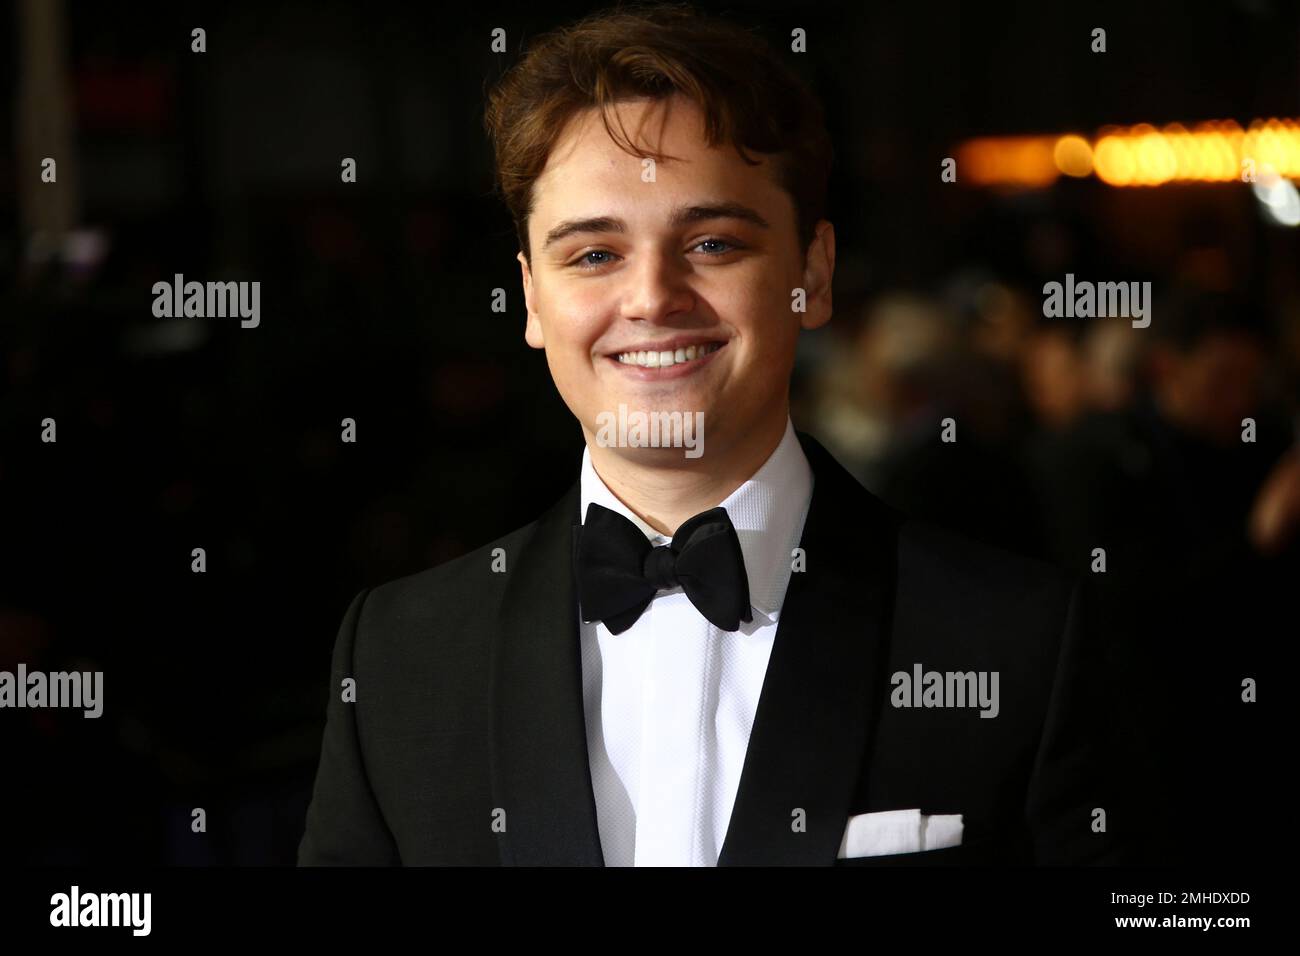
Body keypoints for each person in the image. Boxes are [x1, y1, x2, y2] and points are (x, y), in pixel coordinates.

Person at [298, 3, 1123, 867]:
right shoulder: (399, 659)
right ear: (532, 298)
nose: (653, 297)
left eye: (714, 243)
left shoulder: (1018, 639)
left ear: (813, 272)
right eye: (593, 255)